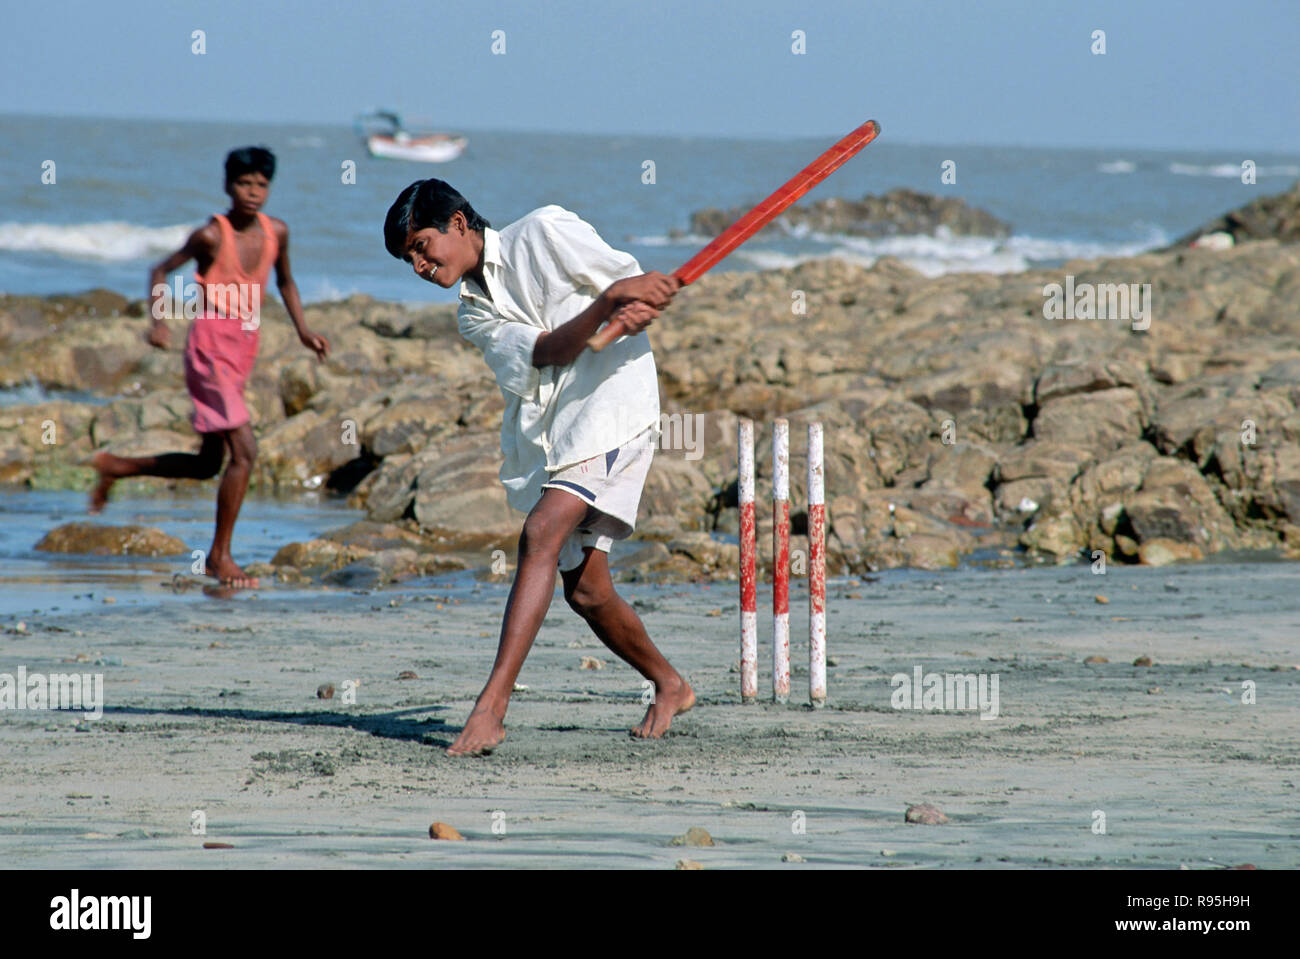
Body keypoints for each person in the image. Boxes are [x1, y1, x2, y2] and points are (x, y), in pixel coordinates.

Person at [383, 179, 694, 756]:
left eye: (422, 247)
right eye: (410, 261)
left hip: (611, 406)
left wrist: (633, 299)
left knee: (541, 531)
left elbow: (627, 279)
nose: (420, 266)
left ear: (458, 222)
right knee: (587, 592)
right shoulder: (473, 314)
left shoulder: (544, 231)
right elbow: (549, 351)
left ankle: (491, 708)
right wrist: (607, 304)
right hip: (552, 436)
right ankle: (670, 684)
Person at [90, 146, 329, 587]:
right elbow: (160, 270)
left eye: (261, 184)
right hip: (208, 351)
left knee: (206, 464)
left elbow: (286, 281)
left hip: (243, 351)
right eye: (244, 183)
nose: (252, 192)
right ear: (227, 185)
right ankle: (219, 556)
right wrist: (159, 321)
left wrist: (303, 330)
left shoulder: (277, 232)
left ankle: (117, 466)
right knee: (246, 451)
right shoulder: (210, 237)